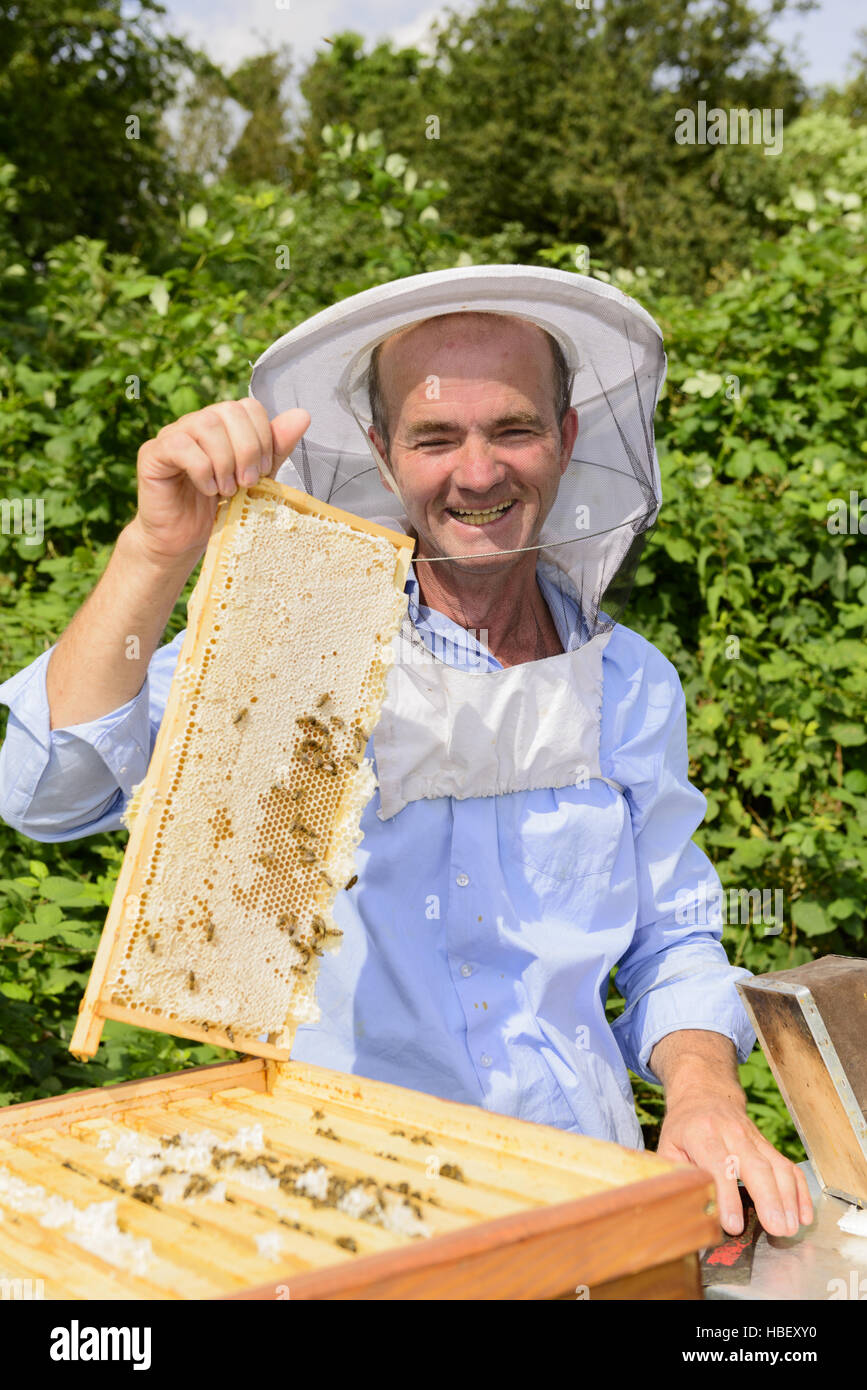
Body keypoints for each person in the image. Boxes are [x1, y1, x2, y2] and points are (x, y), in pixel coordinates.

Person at [0, 265, 813, 1243]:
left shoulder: (631, 680)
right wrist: (154, 547)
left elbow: (671, 938)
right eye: (436, 438)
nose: (478, 474)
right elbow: (49, 787)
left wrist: (704, 1091)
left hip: (588, 1187)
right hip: (349, 1202)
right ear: (383, 455)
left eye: (513, 428)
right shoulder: (298, 653)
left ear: (568, 439)